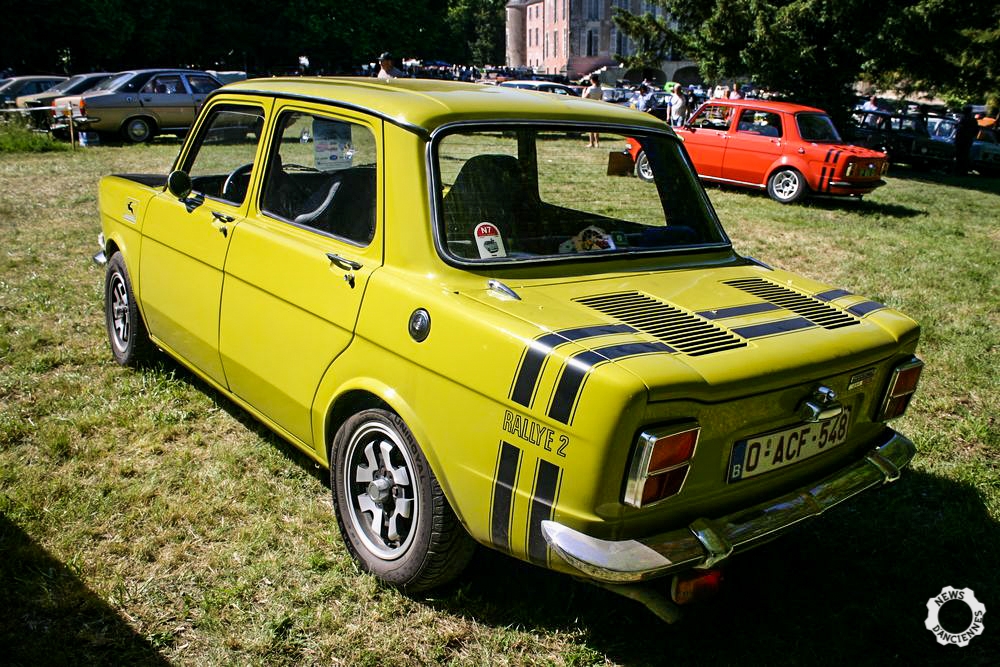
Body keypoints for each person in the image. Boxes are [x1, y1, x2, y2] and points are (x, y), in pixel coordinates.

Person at [954, 106, 978, 175]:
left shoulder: (963, 119)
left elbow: (957, 127)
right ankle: (963, 170)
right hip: (968, 140)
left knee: (959, 155)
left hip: (961, 139)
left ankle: (958, 169)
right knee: (965, 155)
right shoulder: (973, 120)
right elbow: (976, 131)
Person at [583, 74, 603, 147]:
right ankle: (597, 143)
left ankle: (591, 143)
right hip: (597, 108)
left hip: (590, 108)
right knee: (597, 127)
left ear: (592, 80)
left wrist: (583, 92)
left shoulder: (590, 89)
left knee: (590, 127)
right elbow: (601, 99)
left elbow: (584, 99)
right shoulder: (600, 89)